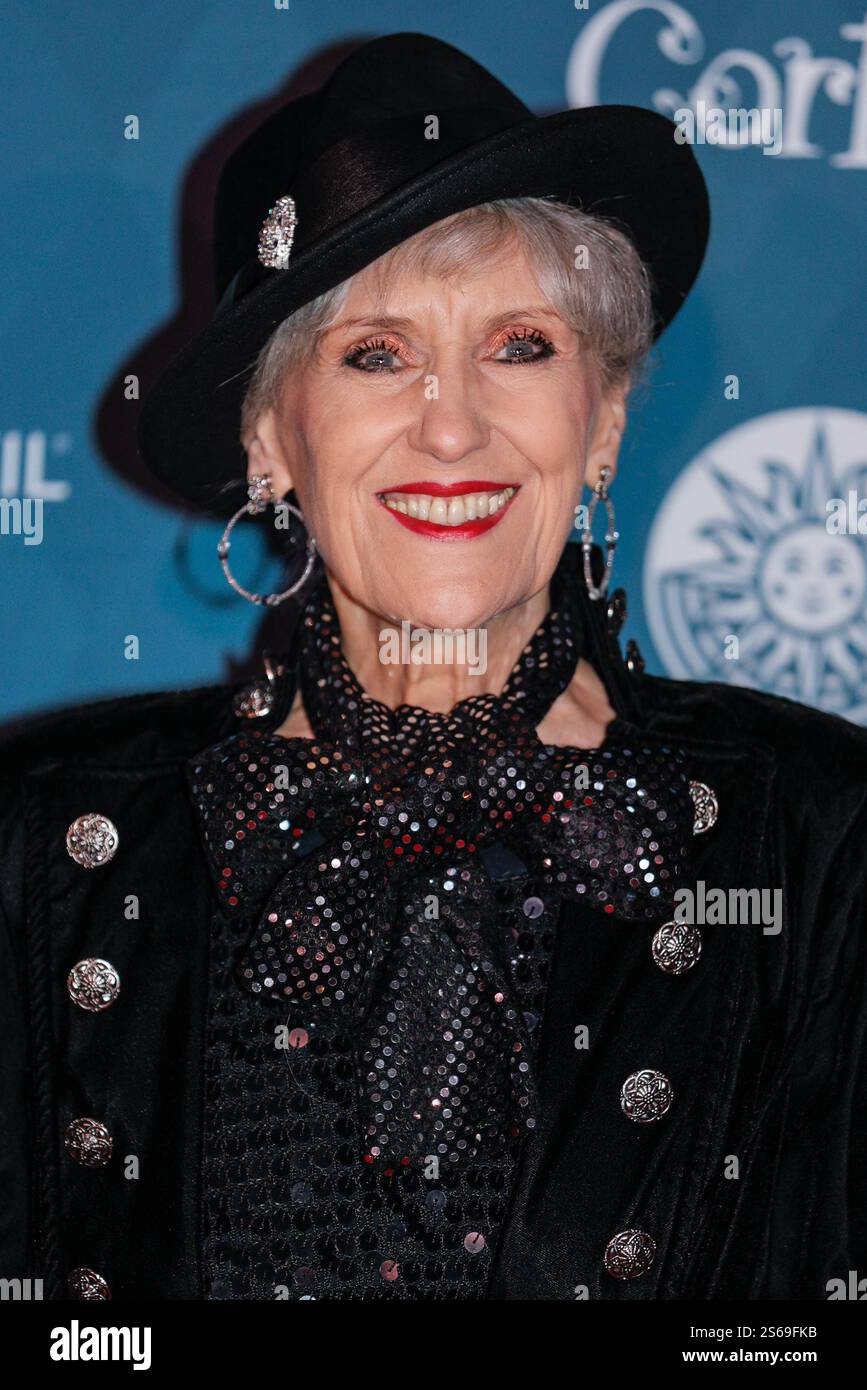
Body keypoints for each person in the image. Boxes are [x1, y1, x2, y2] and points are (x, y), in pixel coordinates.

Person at [2, 30, 865, 1303]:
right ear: (269, 438)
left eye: (520, 345)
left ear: (605, 417)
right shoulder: (42, 839)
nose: (452, 425)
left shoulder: (821, 840)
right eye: (374, 355)